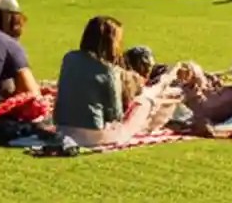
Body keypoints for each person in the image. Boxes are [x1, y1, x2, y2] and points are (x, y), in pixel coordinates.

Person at [54, 16, 179, 147]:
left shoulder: (69, 58)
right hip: (95, 136)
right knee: (145, 100)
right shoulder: (109, 71)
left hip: (63, 129)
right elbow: (115, 115)